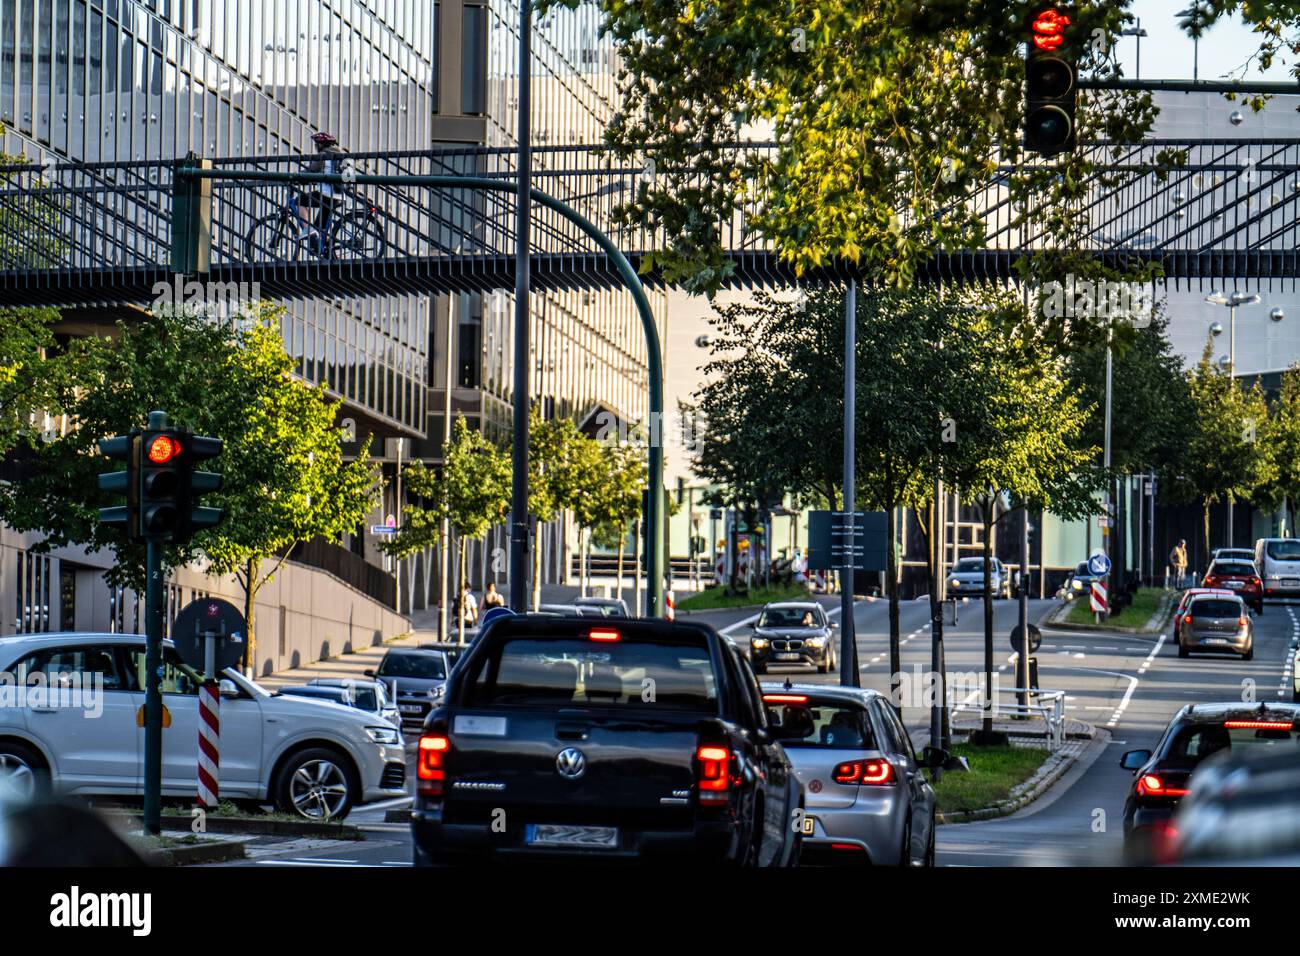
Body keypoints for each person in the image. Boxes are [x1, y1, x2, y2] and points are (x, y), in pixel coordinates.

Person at [298, 131, 349, 251]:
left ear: (321, 145)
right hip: (340, 196)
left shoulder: (322, 155)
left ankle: (307, 230)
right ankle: (327, 249)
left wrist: (297, 177)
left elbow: (311, 171)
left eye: (316, 144)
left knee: (299, 201)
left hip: (326, 195)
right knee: (319, 229)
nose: (316, 147)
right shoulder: (343, 156)